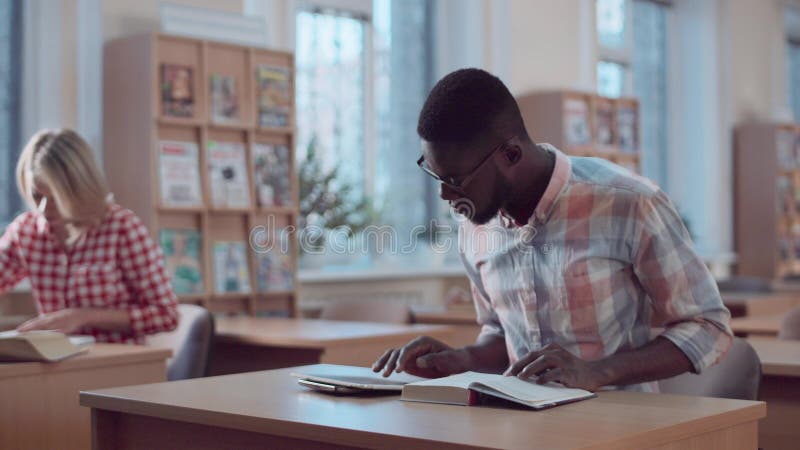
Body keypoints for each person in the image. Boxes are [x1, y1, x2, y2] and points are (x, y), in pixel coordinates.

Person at [372, 69, 732, 392]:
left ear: (511, 155)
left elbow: (707, 325)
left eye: (454, 180)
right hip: (521, 428)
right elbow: (501, 333)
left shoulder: (628, 202)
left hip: (619, 429)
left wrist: (596, 372)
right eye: (435, 175)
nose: (444, 195)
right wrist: (464, 358)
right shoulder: (474, 222)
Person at [2, 129, 179, 343]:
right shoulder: (25, 232)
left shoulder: (122, 228)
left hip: (117, 366)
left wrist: (83, 316)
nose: (45, 209)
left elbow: (167, 315)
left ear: (81, 189)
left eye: (58, 197)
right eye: (37, 195)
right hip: (58, 368)